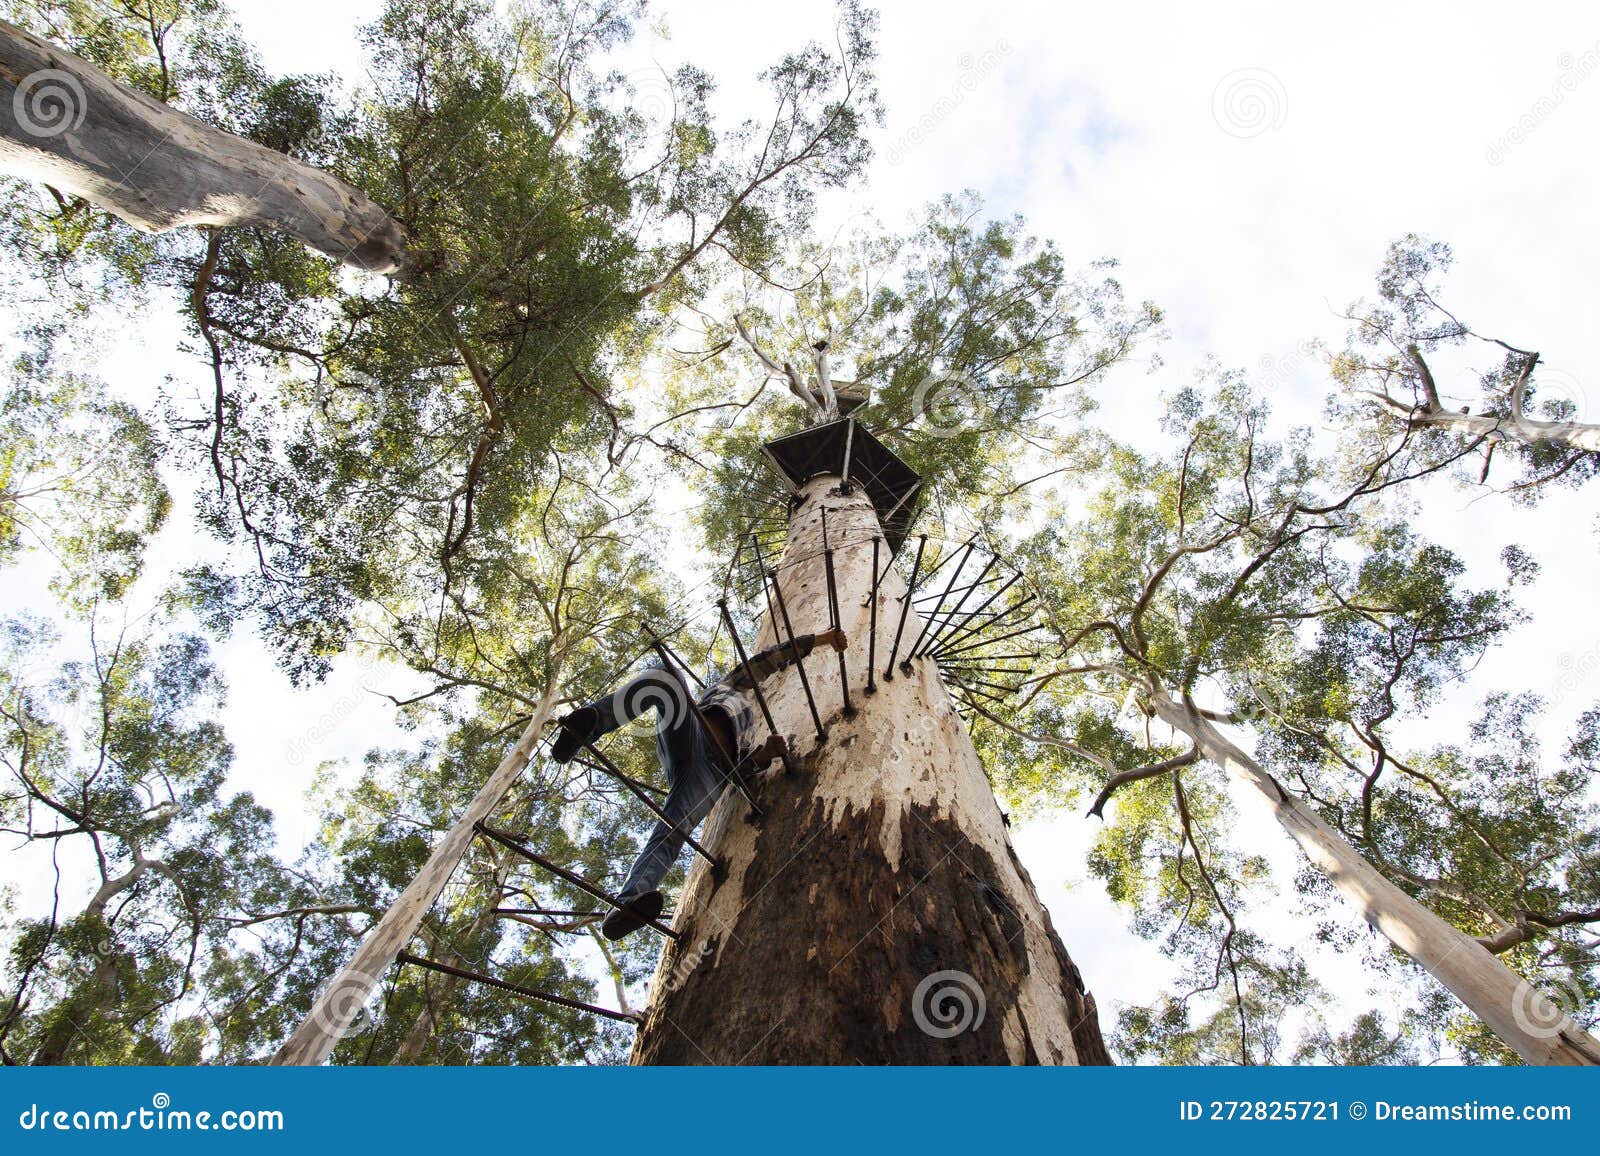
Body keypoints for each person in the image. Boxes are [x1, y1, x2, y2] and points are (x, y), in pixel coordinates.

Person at [551, 627, 845, 939]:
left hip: (714, 773)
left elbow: (741, 775)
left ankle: (627, 905)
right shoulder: (732, 685)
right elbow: (768, 659)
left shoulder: (750, 734)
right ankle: (589, 724)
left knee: (671, 834)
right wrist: (821, 639)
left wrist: (766, 755)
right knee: (665, 677)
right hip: (691, 731)